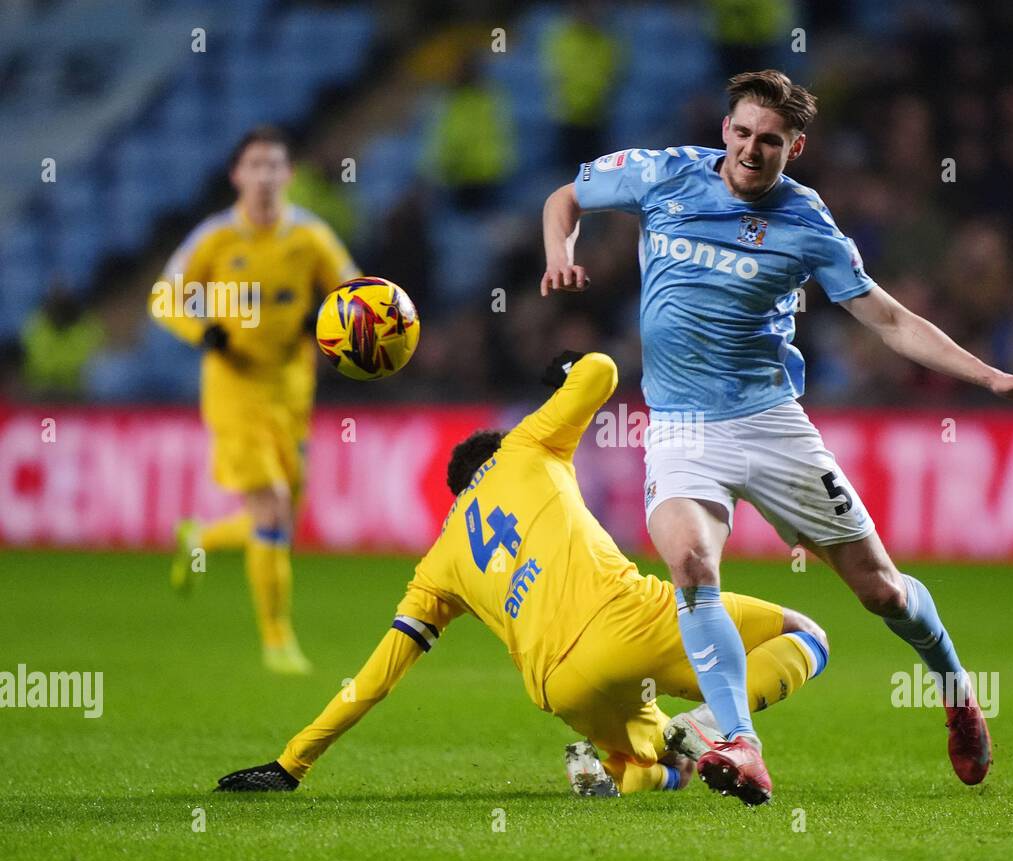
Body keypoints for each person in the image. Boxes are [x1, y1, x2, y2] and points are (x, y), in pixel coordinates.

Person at [540, 70, 1013, 798]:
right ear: (725, 130)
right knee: (692, 567)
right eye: (741, 134)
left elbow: (889, 319)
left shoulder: (807, 225)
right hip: (679, 427)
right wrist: (559, 253)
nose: (751, 151)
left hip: (769, 426)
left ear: (795, 146)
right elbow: (565, 198)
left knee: (882, 592)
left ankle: (956, 693)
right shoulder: (664, 174)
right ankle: (741, 742)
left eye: (770, 141)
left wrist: (988, 378)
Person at [215, 353, 829, 804]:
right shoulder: (524, 447)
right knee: (808, 636)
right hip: (627, 619)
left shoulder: (439, 564)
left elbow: (375, 678)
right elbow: (603, 372)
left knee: (659, 760)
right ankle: (708, 725)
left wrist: (293, 760)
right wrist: (564, 368)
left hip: (561, 687)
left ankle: (635, 764)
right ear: (498, 448)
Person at [153, 126, 358, 674]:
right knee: (270, 505)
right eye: (255, 166)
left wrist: (335, 314)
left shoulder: (310, 236)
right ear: (237, 176)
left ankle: (198, 537)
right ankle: (277, 641)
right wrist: (202, 333)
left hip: (291, 391)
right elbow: (162, 295)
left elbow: (356, 288)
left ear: (288, 176)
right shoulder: (216, 238)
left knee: (282, 518)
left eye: (274, 166)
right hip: (234, 389)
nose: (265, 176)